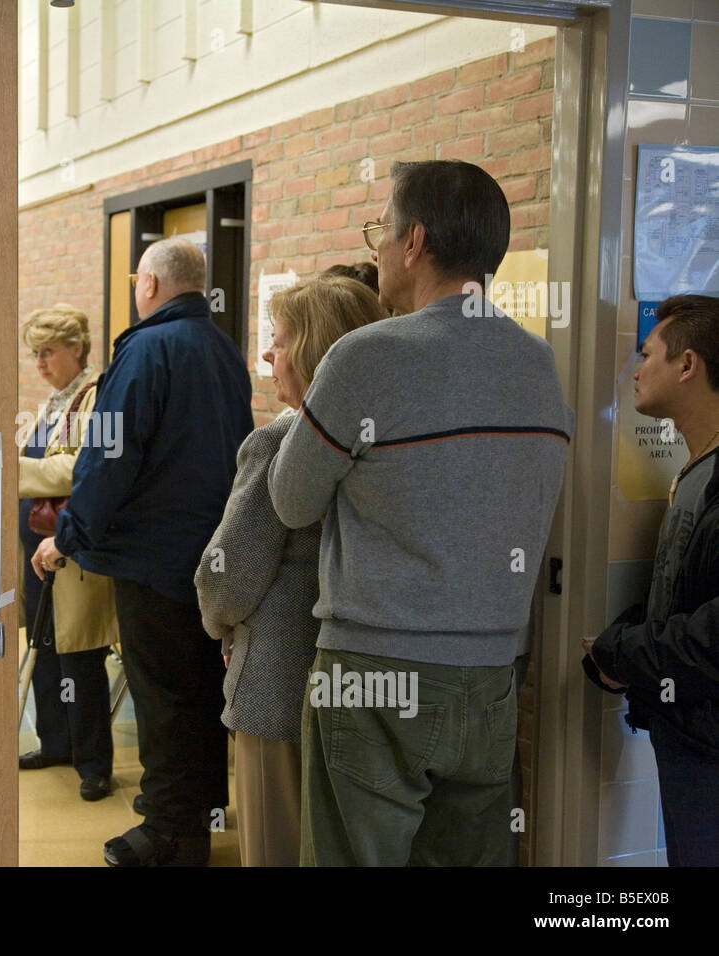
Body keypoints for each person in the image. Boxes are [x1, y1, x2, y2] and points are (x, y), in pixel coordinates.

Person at [267, 159, 575, 866]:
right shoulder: (538, 364)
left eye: (381, 228)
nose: (375, 246)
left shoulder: (365, 358)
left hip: (375, 669)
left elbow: (291, 502)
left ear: (415, 242)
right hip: (493, 674)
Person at [31, 237, 253, 866]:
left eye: (136, 279)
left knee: (161, 699)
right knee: (199, 691)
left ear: (150, 284)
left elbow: (106, 458)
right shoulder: (223, 351)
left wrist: (67, 538)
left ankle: (169, 833)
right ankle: (198, 810)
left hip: (153, 560)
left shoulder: (145, 349)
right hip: (212, 558)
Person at [196, 274, 386, 866]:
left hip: (278, 683)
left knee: (274, 847)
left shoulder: (279, 441)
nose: (267, 356)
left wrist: (219, 625)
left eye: (278, 340)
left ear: (311, 350)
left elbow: (227, 572)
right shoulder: (391, 437)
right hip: (370, 686)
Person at [584, 294, 719, 866]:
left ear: (687, 365)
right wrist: (621, 652)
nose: (636, 370)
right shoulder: (696, 468)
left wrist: (623, 650)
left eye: (647, 354)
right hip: (688, 738)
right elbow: (683, 596)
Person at [17, 305, 118, 802]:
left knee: (80, 656)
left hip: (72, 552)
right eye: (34, 354)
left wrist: (10, 471)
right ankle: (55, 742)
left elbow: (81, 469)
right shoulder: (52, 403)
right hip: (36, 551)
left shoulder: (97, 398)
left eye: (47, 352)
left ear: (77, 348)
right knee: (46, 650)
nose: (39, 363)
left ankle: (93, 762)